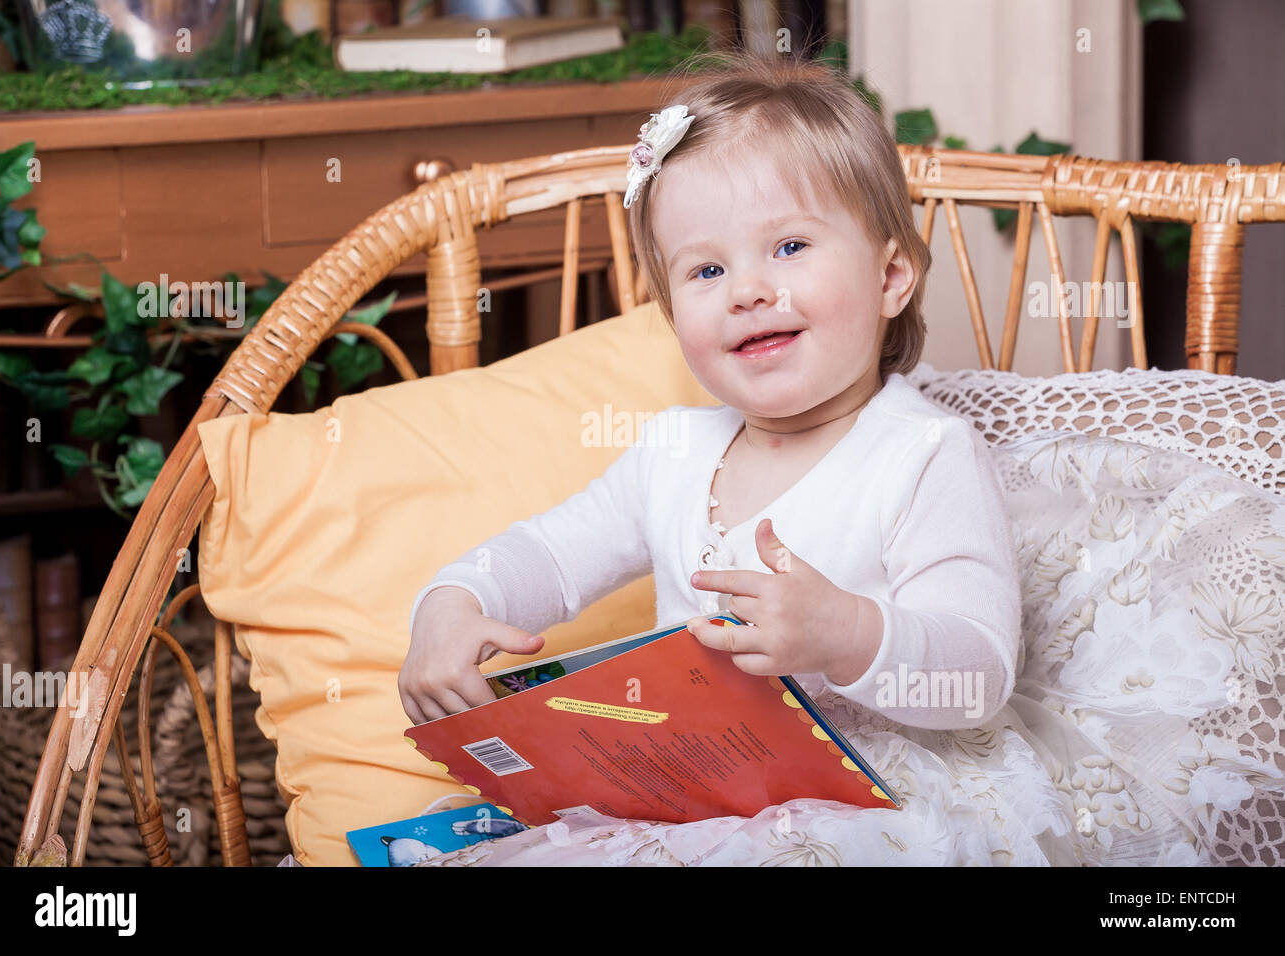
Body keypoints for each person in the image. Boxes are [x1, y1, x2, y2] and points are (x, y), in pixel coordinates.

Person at [399, 49, 1020, 743]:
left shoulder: (923, 455)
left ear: (891, 276)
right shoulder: (673, 453)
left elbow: (979, 678)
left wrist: (848, 635)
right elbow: (544, 555)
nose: (748, 291)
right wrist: (452, 602)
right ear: (669, 313)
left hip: (872, 794)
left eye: (789, 247)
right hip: (694, 783)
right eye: (707, 269)